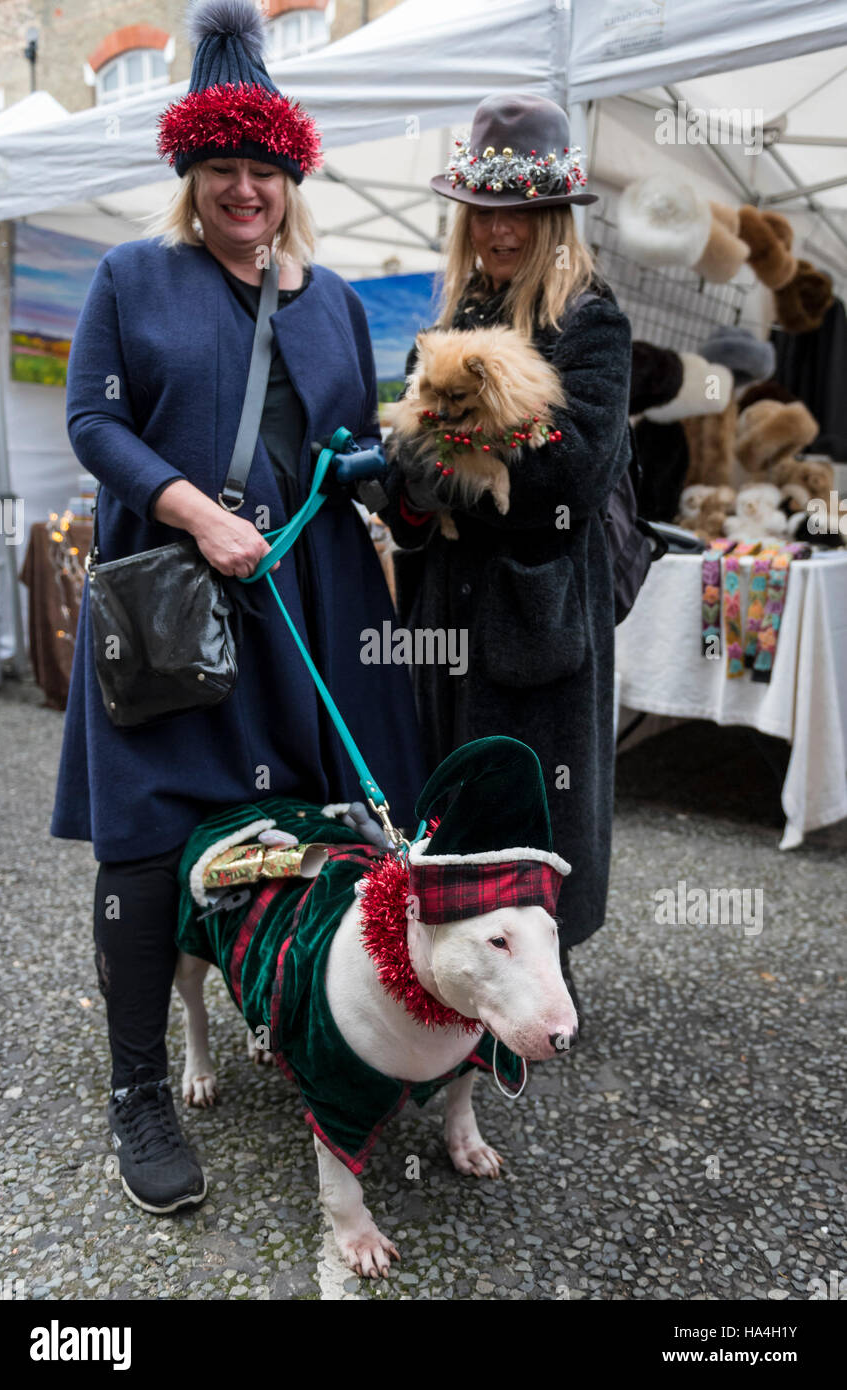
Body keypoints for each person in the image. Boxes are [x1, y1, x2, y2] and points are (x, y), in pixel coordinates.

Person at [49, 1, 425, 1214]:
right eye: (221, 168)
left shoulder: (334, 301)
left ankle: (328, 1025)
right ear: (190, 173)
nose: (243, 189)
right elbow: (93, 423)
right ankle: (139, 1088)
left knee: (328, 823)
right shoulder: (131, 277)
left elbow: (353, 439)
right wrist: (196, 514)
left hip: (307, 603)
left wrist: (402, 473)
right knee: (151, 835)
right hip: (168, 603)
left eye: (262, 168)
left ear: (290, 172)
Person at [380, 93, 634, 1019]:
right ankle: (455, 981)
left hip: (536, 613)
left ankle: (540, 998)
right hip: (446, 610)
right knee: (456, 800)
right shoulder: (456, 316)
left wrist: (441, 467)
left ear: (551, 218)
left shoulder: (592, 325)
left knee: (535, 810)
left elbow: (567, 478)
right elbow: (407, 468)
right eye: (484, 209)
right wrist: (414, 485)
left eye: (519, 210)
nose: (498, 228)